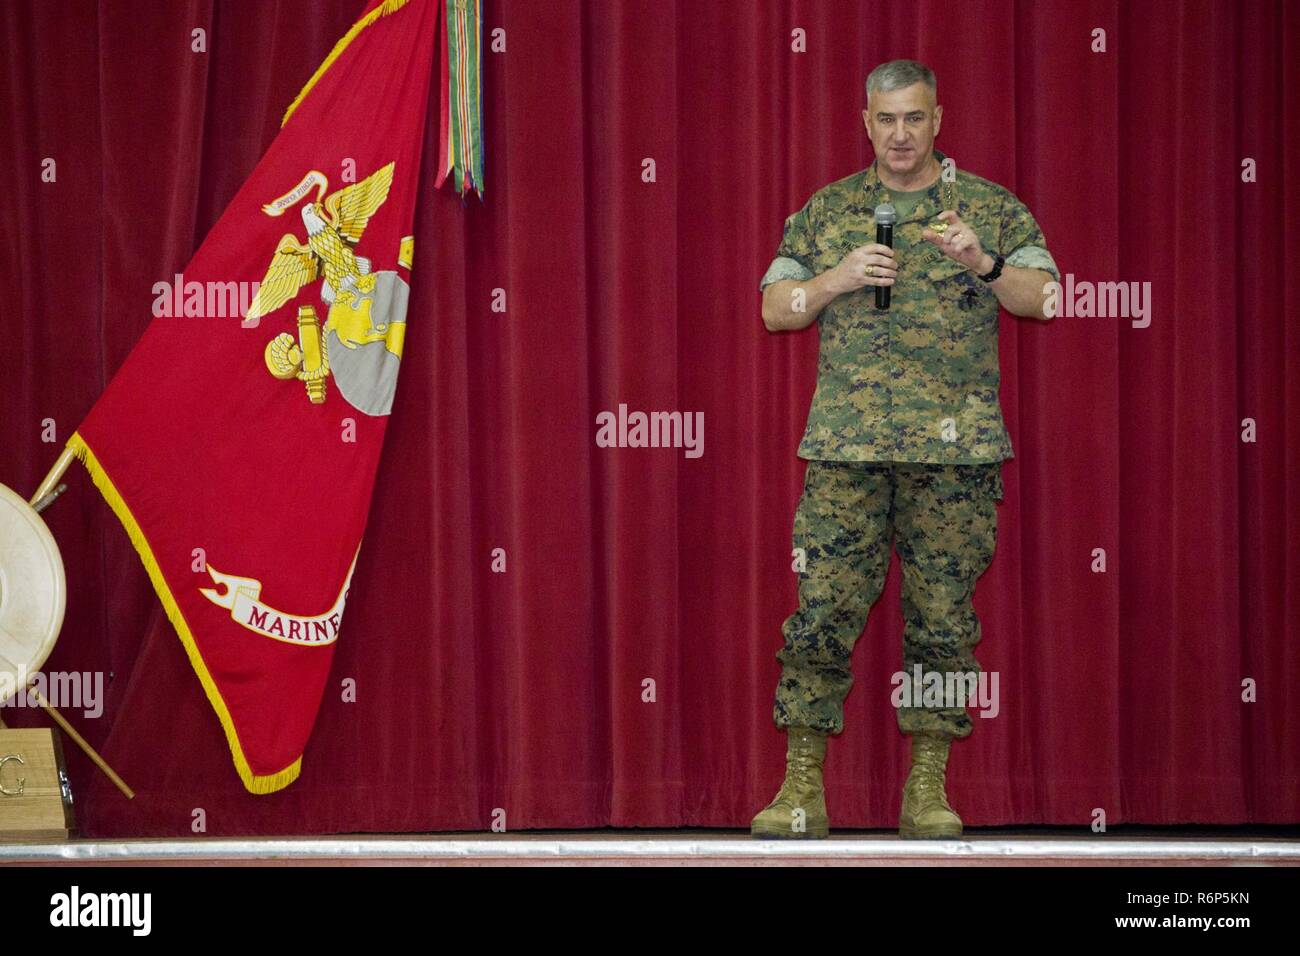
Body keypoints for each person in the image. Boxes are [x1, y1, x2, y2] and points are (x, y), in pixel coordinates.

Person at [751, 59, 1059, 839]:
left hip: (954, 461)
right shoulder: (829, 212)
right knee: (821, 612)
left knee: (942, 621)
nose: (899, 134)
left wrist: (983, 264)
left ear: (937, 120)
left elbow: (1049, 299)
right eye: (886, 119)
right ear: (866, 123)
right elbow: (773, 309)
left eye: (914, 118)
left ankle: (927, 790)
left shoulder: (985, 208)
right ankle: (801, 791)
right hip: (847, 453)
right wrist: (833, 280)